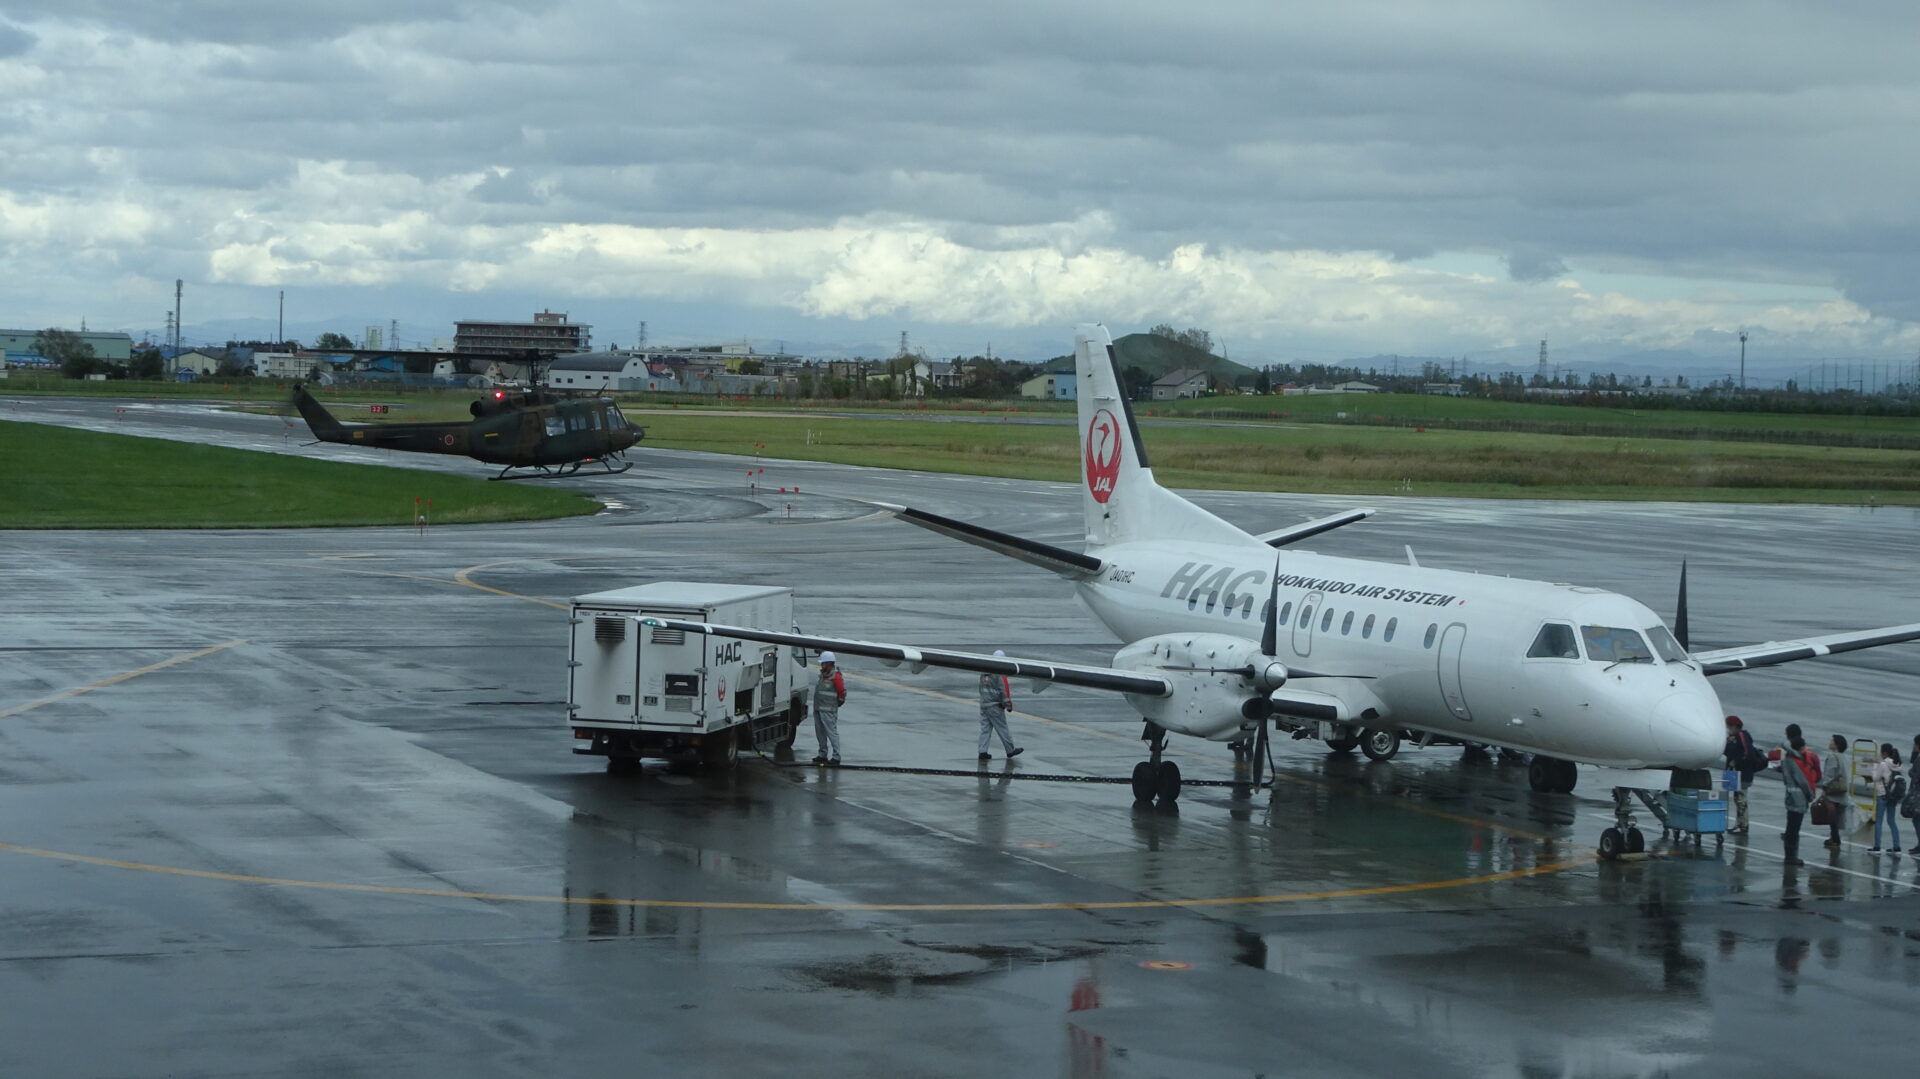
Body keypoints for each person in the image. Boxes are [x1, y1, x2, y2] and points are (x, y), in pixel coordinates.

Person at [1779, 733, 1817, 866]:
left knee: (1791, 827)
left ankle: (1789, 856)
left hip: (1791, 797)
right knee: (1794, 829)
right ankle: (1791, 857)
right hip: (1798, 799)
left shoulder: (1787, 759)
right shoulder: (1795, 761)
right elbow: (1803, 781)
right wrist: (1811, 795)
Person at [977, 650, 1023, 762]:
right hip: (994, 706)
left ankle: (982, 751)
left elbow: (980, 688)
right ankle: (1010, 750)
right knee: (1002, 728)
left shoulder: (984, 672)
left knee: (985, 729)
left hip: (984, 704)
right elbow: (1004, 690)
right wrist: (1008, 705)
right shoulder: (999, 673)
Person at [1723, 716, 1764, 834]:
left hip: (1742, 773)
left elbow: (1748, 754)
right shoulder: (1733, 738)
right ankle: (1739, 823)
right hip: (1734, 773)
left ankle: (1744, 825)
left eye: (1729, 727)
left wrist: (1736, 761)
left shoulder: (1742, 736)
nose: (1728, 729)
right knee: (1737, 798)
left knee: (1741, 799)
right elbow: (1727, 752)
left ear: (1735, 726)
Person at [1868, 743, 1904, 855]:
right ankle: (1896, 846)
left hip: (1882, 795)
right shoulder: (1897, 764)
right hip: (1893, 796)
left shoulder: (1883, 764)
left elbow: (1875, 778)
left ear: (1884, 753)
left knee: (1879, 821)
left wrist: (1874, 766)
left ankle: (1877, 847)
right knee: (1891, 821)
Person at [811, 651, 846, 766]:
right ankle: (822, 754)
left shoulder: (835, 677)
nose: (822, 666)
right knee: (820, 733)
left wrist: (838, 703)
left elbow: (841, 692)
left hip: (828, 710)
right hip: (818, 708)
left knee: (831, 733)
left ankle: (836, 756)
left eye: (823, 664)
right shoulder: (823, 675)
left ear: (829, 664)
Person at [1820, 734, 1850, 848]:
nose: (1830, 743)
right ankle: (1834, 838)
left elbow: (1829, 774)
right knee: (1837, 815)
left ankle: (1835, 839)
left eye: (1832, 741)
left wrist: (1825, 787)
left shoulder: (1832, 757)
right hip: (1842, 790)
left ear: (1836, 745)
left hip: (1833, 791)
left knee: (1831, 815)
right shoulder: (1845, 757)